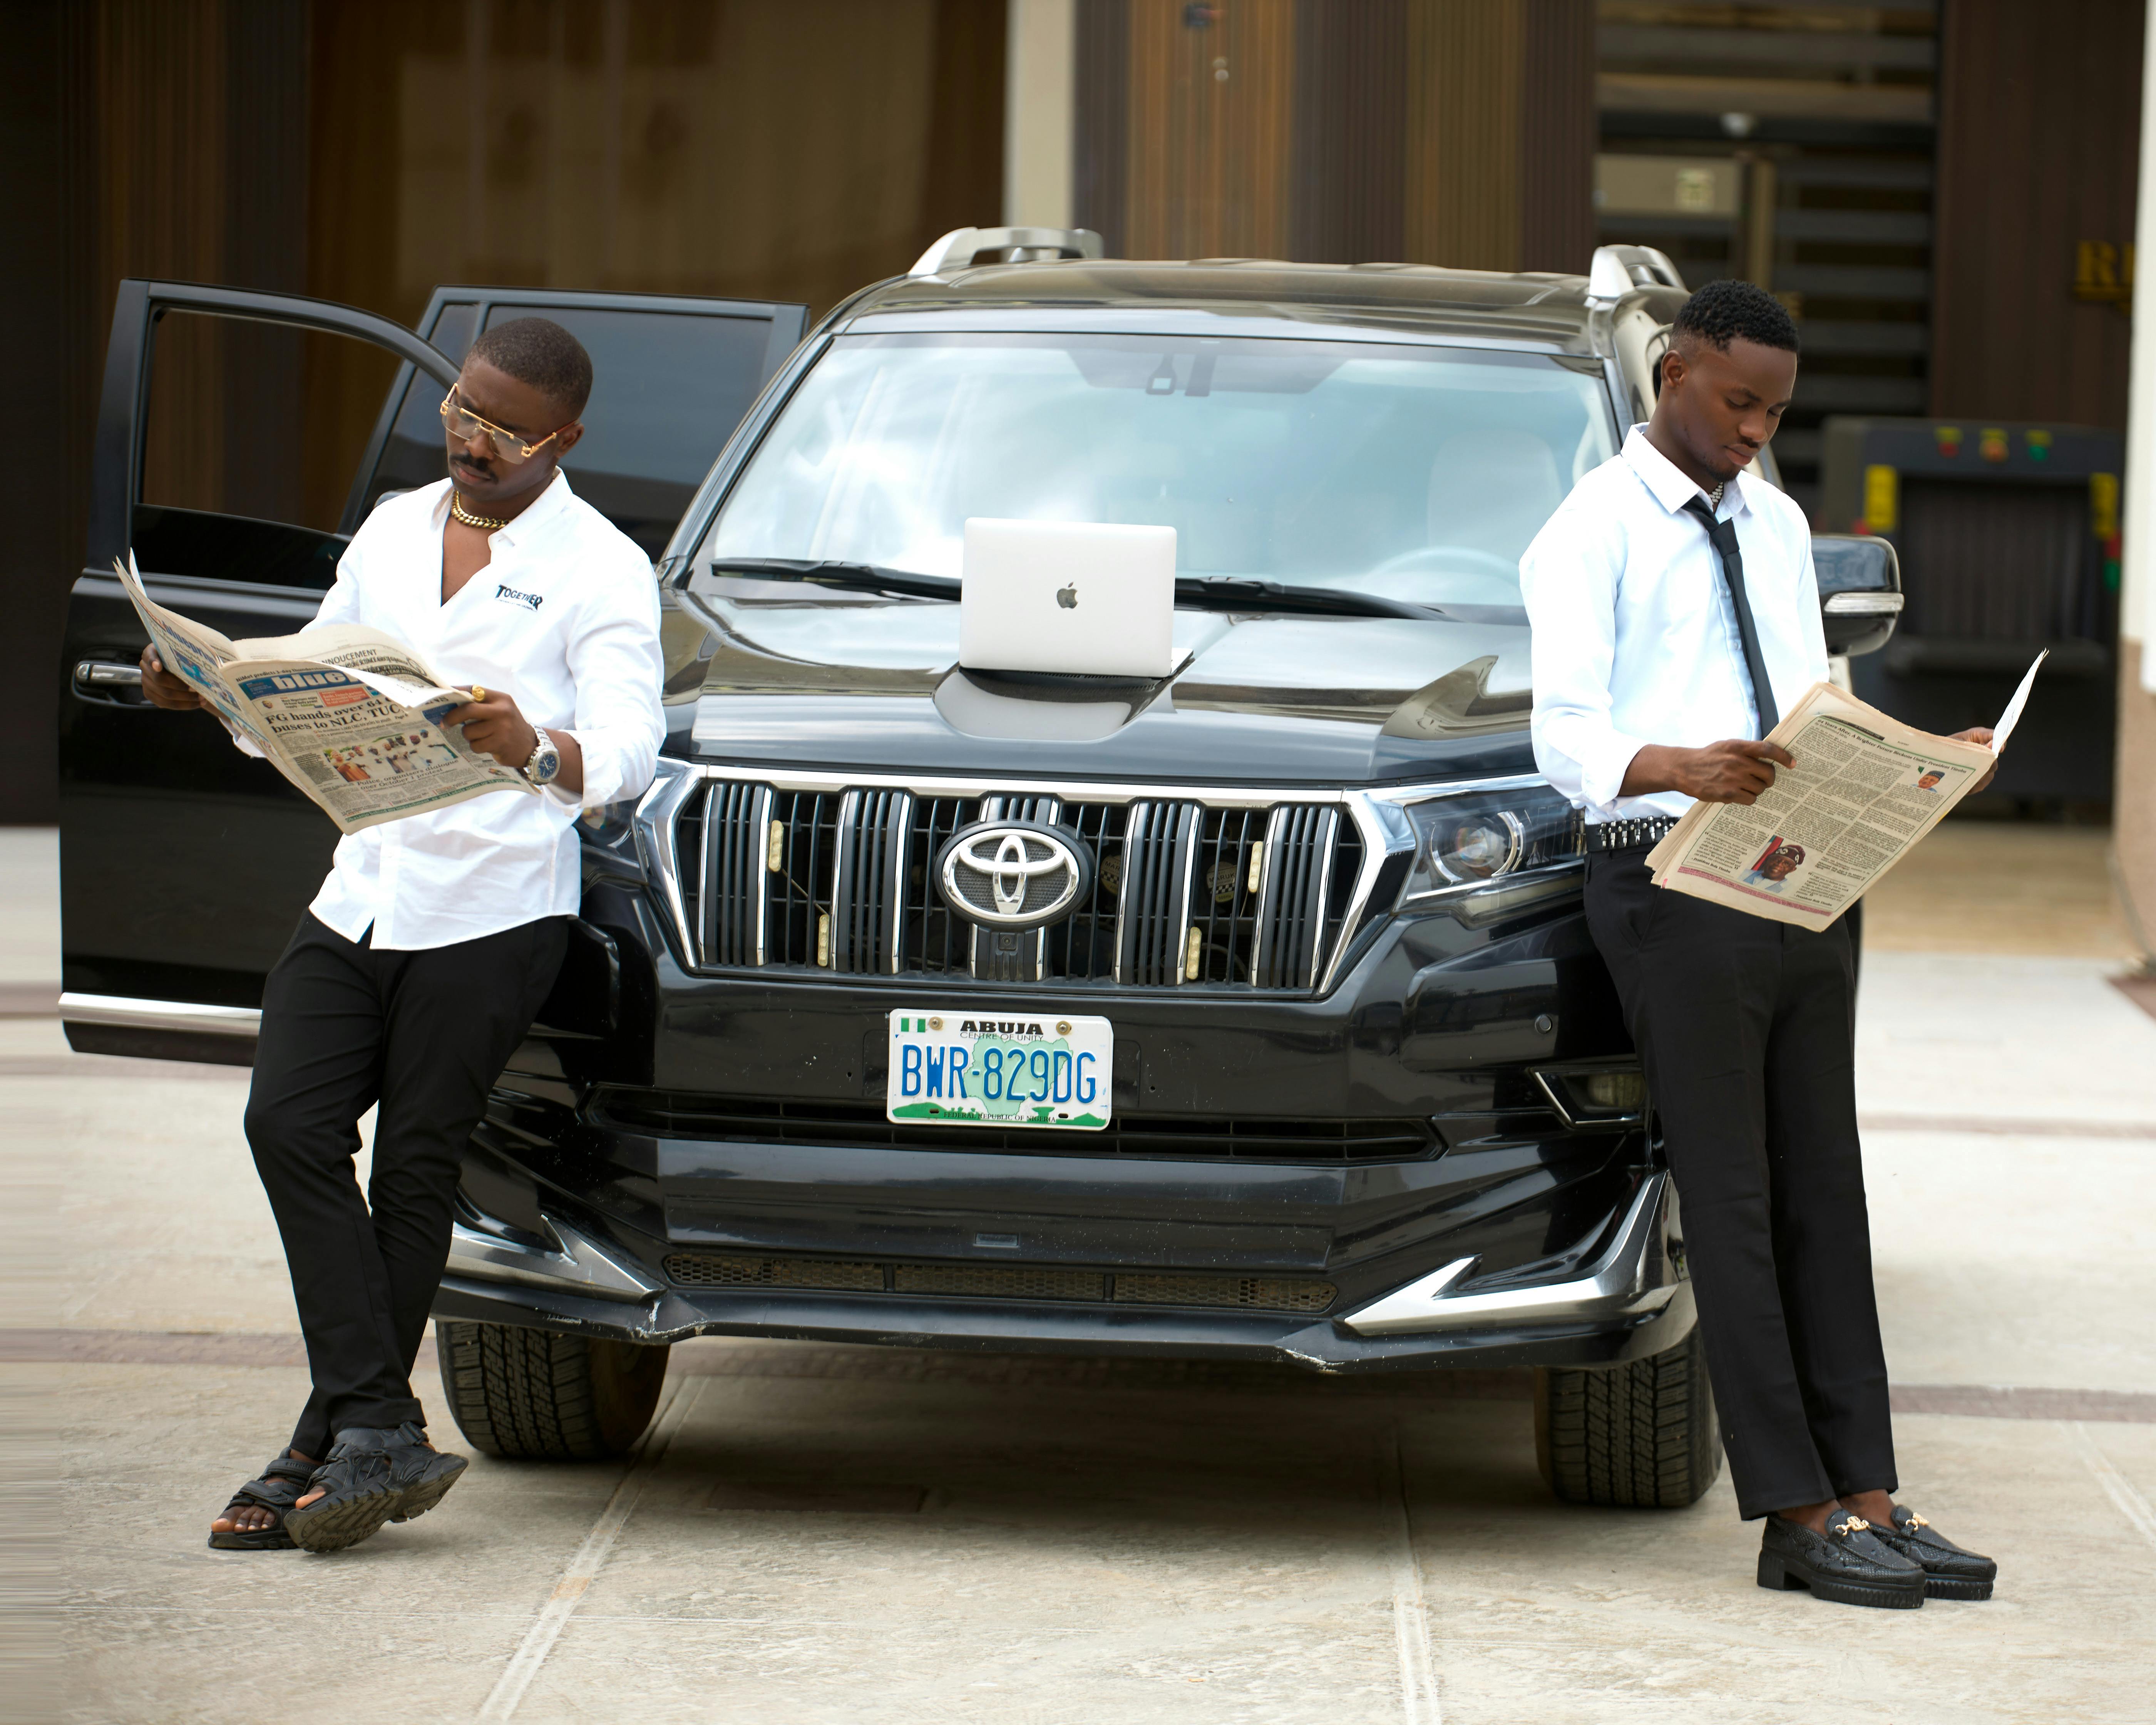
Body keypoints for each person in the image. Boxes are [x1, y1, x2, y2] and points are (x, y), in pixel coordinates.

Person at [139, 317, 665, 1554]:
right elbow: (306, 684)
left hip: (492, 907)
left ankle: (321, 1451)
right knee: (288, 1121)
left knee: (418, 1162)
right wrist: (212, 696)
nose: (472, 442)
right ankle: (375, 1419)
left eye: (503, 430)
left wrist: (533, 744)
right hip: (363, 881)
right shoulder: (389, 526)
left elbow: (632, 749)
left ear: (564, 440)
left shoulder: (602, 565)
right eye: (461, 414)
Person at [1520, 280, 1999, 1609]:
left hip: (1801, 877)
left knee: (1823, 1191)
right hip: (1669, 881)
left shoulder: (1779, 523)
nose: (1754, 432)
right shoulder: (1586, 533)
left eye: (1776, 413)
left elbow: (1809, 701)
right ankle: (1794, 1516)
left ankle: (1872, 1498)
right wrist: (1674, 763)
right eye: (1738, 404)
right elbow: (1564, 736)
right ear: (1672, 374)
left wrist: (1910, 763)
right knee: (1727, 1200)